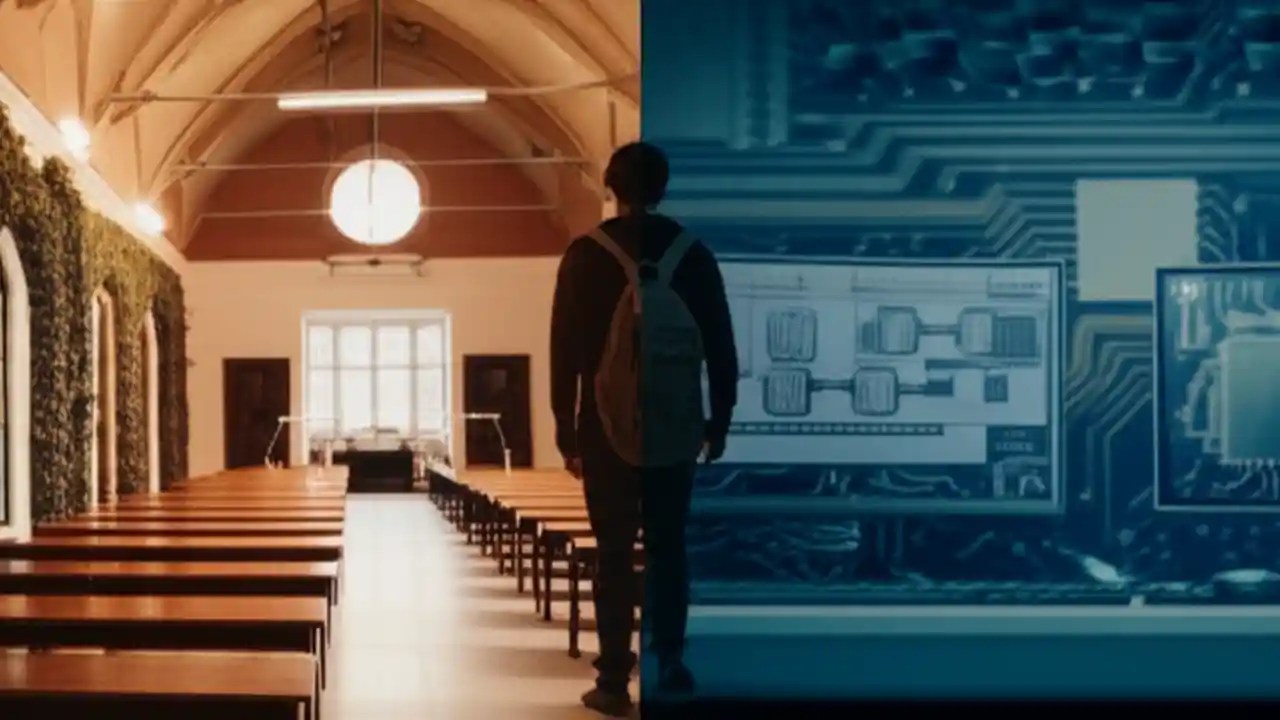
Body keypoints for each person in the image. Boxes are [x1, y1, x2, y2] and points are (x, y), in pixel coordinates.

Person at [550, 141, 739, 717]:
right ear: (664, 188)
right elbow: (720, 347)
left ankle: (611, 679)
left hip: (603, 428)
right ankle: (671, 664)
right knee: (669, 549)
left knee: (612, 554)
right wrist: (719, 421)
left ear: (610, 186)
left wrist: (566, 430)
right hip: (677, 424)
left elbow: (564, 353)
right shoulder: (695, 254)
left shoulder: (584, 255)